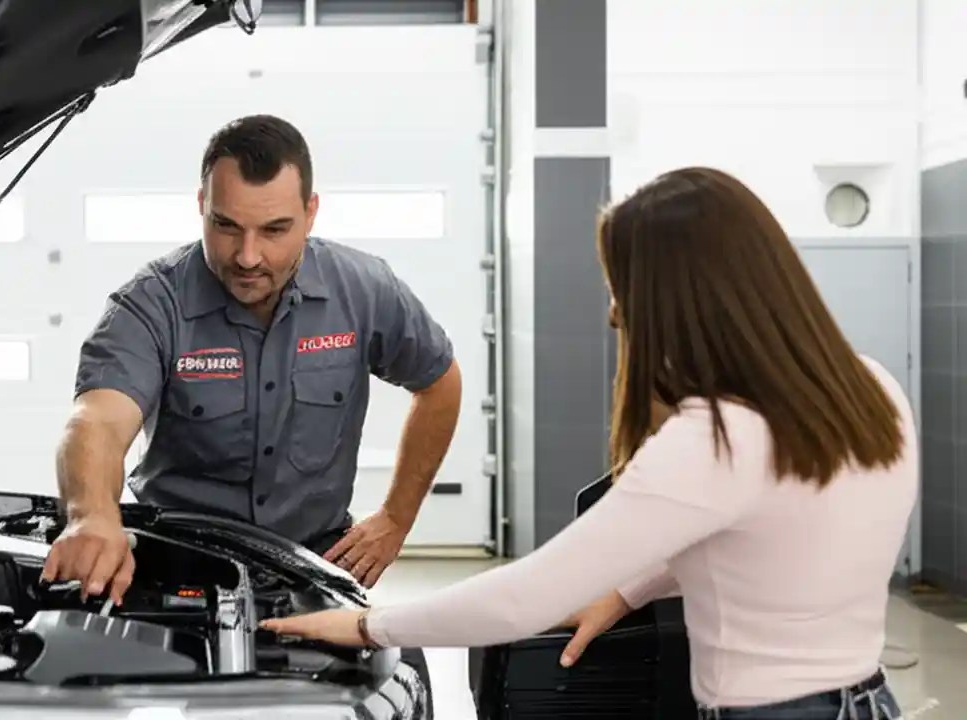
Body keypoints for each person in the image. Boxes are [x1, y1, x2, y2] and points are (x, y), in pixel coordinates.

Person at [263, 166, 917, 720]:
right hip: (866, 699)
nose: (612, 310)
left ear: (671, 300)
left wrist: (364, 625)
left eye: (621, 286)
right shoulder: (868, 388)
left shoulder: (711, 440)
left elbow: (526, 598)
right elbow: (764, 529)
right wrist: (627, 591)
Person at [40, 114, 461, 705]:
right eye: (226, 225)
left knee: (396, 684)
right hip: (179, 564)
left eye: (275, 229)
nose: (247, 255)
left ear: (312, 213)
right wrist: (91, 516)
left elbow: (439, 383)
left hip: (312, 563)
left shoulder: (363, 290)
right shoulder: (151, 303)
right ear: (200, 205)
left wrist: (396, 517)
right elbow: (98, 422)